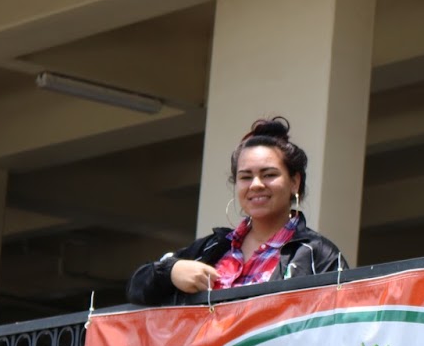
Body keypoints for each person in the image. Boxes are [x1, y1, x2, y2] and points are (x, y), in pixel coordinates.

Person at [127, 117, 347, 306]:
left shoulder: (319, 254)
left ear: (294, 182)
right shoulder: (212, 248)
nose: (256, 185)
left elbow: (342, 322)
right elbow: (136, 287)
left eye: (269, 174)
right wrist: (171, 272)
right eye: (245, 177)